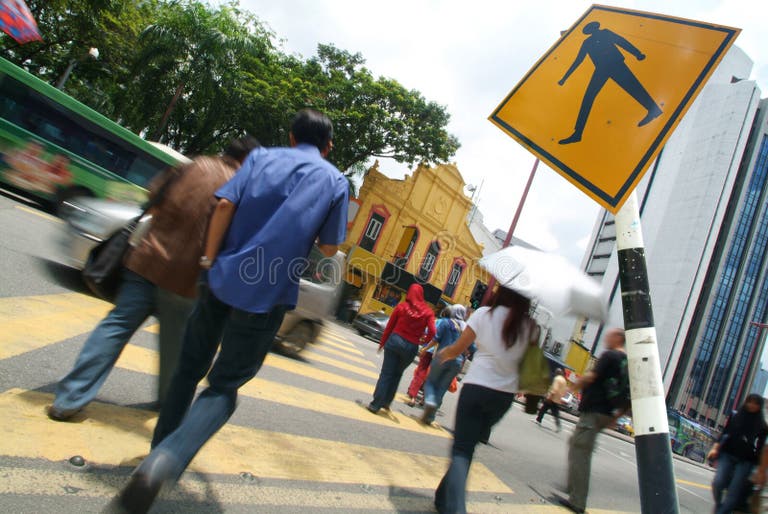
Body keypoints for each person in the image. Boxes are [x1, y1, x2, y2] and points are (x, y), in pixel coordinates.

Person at [109, 109, 348, 513]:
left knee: (188, 368)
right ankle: (165, 461)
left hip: (221, 277)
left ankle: (156, 452)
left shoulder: (259, 158)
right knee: (223, 387)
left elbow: (222, 208)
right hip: (270, 291)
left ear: (291, 137)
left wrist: (209, 261)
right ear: (328, 147)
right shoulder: (335, 180)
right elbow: (328, 248)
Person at [47, 137, 259, 421]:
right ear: (247, 161)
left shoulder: (194, 165)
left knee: (115, 328)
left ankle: (69, 399)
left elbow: (153, 194)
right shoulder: (241, 188)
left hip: (146, 261)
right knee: (176, 348)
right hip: (186, 280)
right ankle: (167, 405)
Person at [432, 286, 539, 514]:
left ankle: (455, 508)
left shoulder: (484, 314)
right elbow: (528, 367)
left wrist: (443, 355)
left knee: (462, 448)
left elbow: (460, 348)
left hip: (477, 388)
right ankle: (442, 498)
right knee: (467, 445)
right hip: (503, 398)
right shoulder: (532, 328)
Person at [557, 328, 628, 514]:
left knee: (581, 451)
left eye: (609, 336)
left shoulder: (610, 356)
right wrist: (616, 417)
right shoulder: (627, 362)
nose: (606, 338)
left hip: (595, 410)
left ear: (617, 338)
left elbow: (591, 376)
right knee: (576, 443)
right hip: (607, 413)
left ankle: (577, 501)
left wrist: (572, 388)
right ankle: (572, 486)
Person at [367, 284, 436, 414]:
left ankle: (375, 404)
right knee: (397, 374)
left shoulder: (401, 307)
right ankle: (387, 402)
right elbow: (433, 331)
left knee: (386, 373)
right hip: (411, 347)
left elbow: (389, 327)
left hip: (394, 342)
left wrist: (382, 344)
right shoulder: (428, 313)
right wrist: (424, 341)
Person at [708, 394, 767, 514]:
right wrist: (715, 448)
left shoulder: (762, 425)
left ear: (759, 406)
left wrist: (760, 470)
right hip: (727, 454)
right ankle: (719, 507)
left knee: (734, 492)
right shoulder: (736, 416)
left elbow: (761, 449)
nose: (752, 405)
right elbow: (725, 433)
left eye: (755, 403)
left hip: (746, 461)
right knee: (718, 483)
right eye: (750, 402)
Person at [421, 305, 468, 425]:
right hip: (457, 362)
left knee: (430, 381)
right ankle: (430, 417)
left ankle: (430, 400)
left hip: (442, 357)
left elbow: (436, 338)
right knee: (442, 388)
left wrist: (426, 348)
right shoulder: (467, 328)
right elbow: (471, 348)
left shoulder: (446, 323)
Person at [405, 307, 449, 407]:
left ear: (442, 314)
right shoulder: (451, 326)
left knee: (421, 372)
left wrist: (425, 347)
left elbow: (427, 333)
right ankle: (424, 399)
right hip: (439, 354)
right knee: (432, 377)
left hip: (428, 350)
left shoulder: (436, 321)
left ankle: (413, 397)